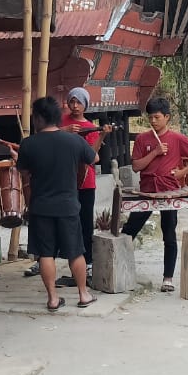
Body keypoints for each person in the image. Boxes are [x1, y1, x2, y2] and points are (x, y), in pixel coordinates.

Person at [15, 96, 97, 311]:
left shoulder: (28, 144)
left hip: (41, 206)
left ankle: (53, 298)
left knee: (46, 253)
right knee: (75, 252)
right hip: (68, 205)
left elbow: (23, 172)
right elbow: (93, 158)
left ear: (38, 118)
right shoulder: (74, 141)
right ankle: (83, 294)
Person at [123, 96, 188, 293]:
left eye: (157, 117)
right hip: (147, 191)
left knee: (169, 233)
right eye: (150, 118)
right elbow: (136, 166)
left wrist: (182, 173)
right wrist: (154, 152)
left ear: (167, 117)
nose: (153, 121)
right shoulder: (142, 139)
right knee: (129, 230)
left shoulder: (177, 138)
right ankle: (121, 271)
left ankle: (167, 279)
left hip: (169, 191)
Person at [61, 87, 113, 286]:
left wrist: (101, 136)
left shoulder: (90, 127)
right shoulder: (61, 123)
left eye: (79, 102)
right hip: (64, 180)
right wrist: (65, 131)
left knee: (84, 223)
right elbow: (48, 138)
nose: (75, 106)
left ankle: (88, 264)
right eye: (72, 101)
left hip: (86, 181)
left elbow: (92, 156)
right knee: (66, 222)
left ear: (85, 105)